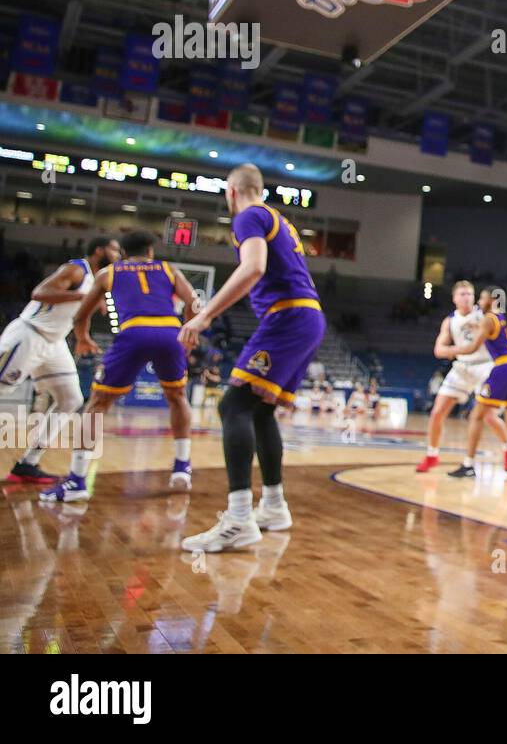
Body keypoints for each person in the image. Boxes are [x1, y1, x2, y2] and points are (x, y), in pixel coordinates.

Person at [177, 164, 326, 552]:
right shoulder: (278, 219)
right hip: (307, 317)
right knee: (259, 411)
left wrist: (206, 313)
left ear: (232, 191)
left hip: (289, 316)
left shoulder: (249, 216)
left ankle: (240, 518)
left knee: (233, 406)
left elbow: (254, 266)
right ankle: (274, 506)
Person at [41, 231, 198, 502]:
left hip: (133, 333)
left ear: (123, 252)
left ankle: (77, 480)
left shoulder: (108, 274)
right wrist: (189, 333)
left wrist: (82, 338)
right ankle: (182, 467)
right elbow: (194, 303)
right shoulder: (169, 269)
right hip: (169, 333)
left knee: (97, 404)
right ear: (150, 250)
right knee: (177, 397)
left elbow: (82, 314)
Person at [4, 237, 121, 484]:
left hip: (55, 342)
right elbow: (40, 292)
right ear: (98, 250)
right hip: (29, 333)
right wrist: (83, 296)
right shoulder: (76, 269)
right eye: (114, 249)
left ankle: (28, 463)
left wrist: (83, 338)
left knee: (71, 400)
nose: (118, 254)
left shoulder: (99, 281)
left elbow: (80, 316)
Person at [447, 288, 507, 477]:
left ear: (491, 299)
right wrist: (477, 328)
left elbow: (473, 347)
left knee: (476, 415)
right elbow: (496, 333)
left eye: (482, 298)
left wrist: (451, 350)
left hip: (503, 368)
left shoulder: (488, 318)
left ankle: (468, 465)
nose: (479, 302)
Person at [416, 280, 492, 473]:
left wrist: (454, 350)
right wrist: (461, 350)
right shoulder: (450, 320)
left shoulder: (483, 315)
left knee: (489, 417)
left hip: (485, 366)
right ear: (454, 298)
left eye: (469, 294)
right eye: (462, 294)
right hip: (462, 367)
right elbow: (438, 350)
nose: (466, 298)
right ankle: (432, 455)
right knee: (437, 413)